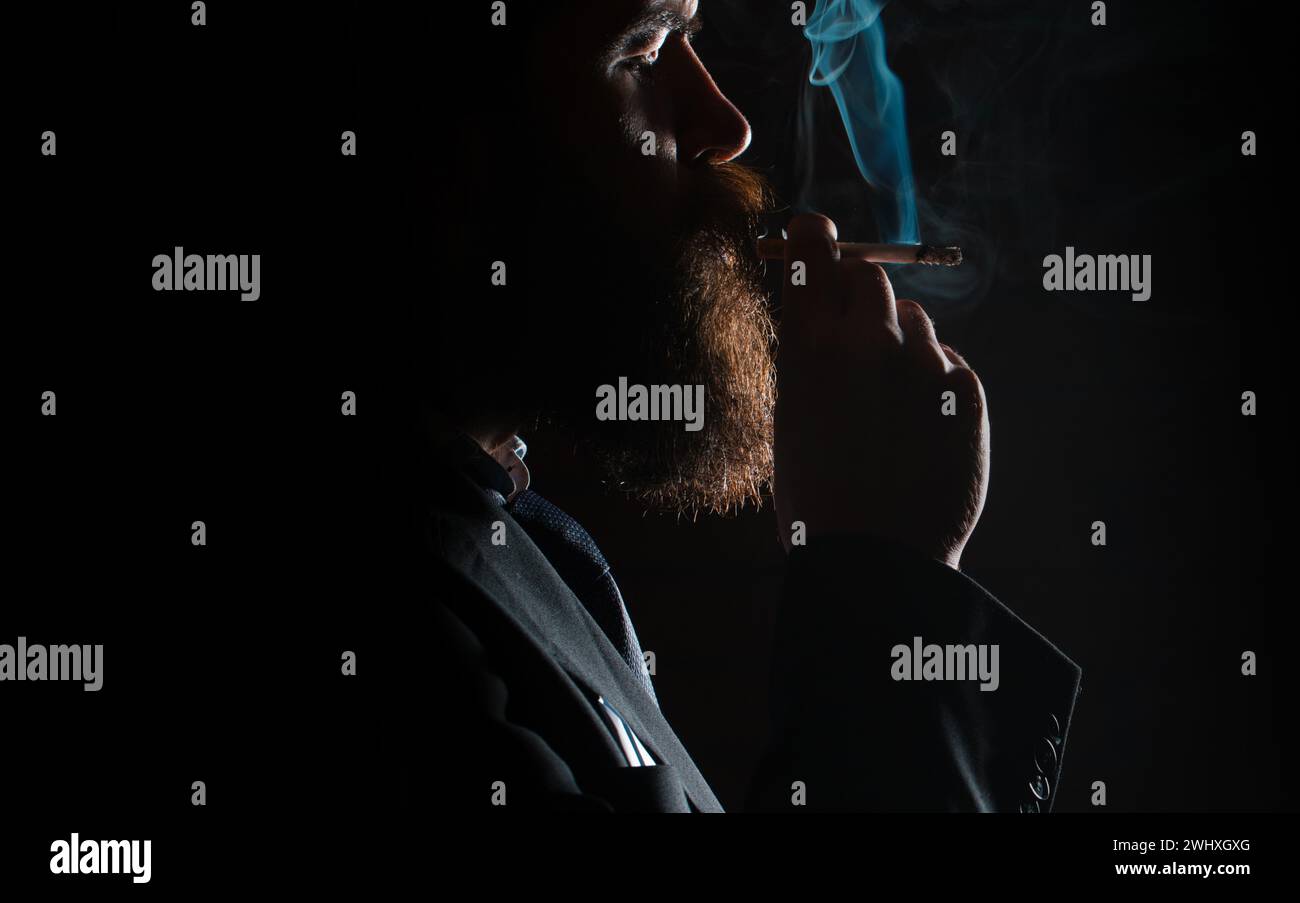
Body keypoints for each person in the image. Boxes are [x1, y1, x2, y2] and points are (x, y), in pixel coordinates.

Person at [400, 0, 1081, 812]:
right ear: (452, 133)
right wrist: (885, 582)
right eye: (645, 51)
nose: (727, 125)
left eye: (690, 40)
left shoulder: (507, 530)